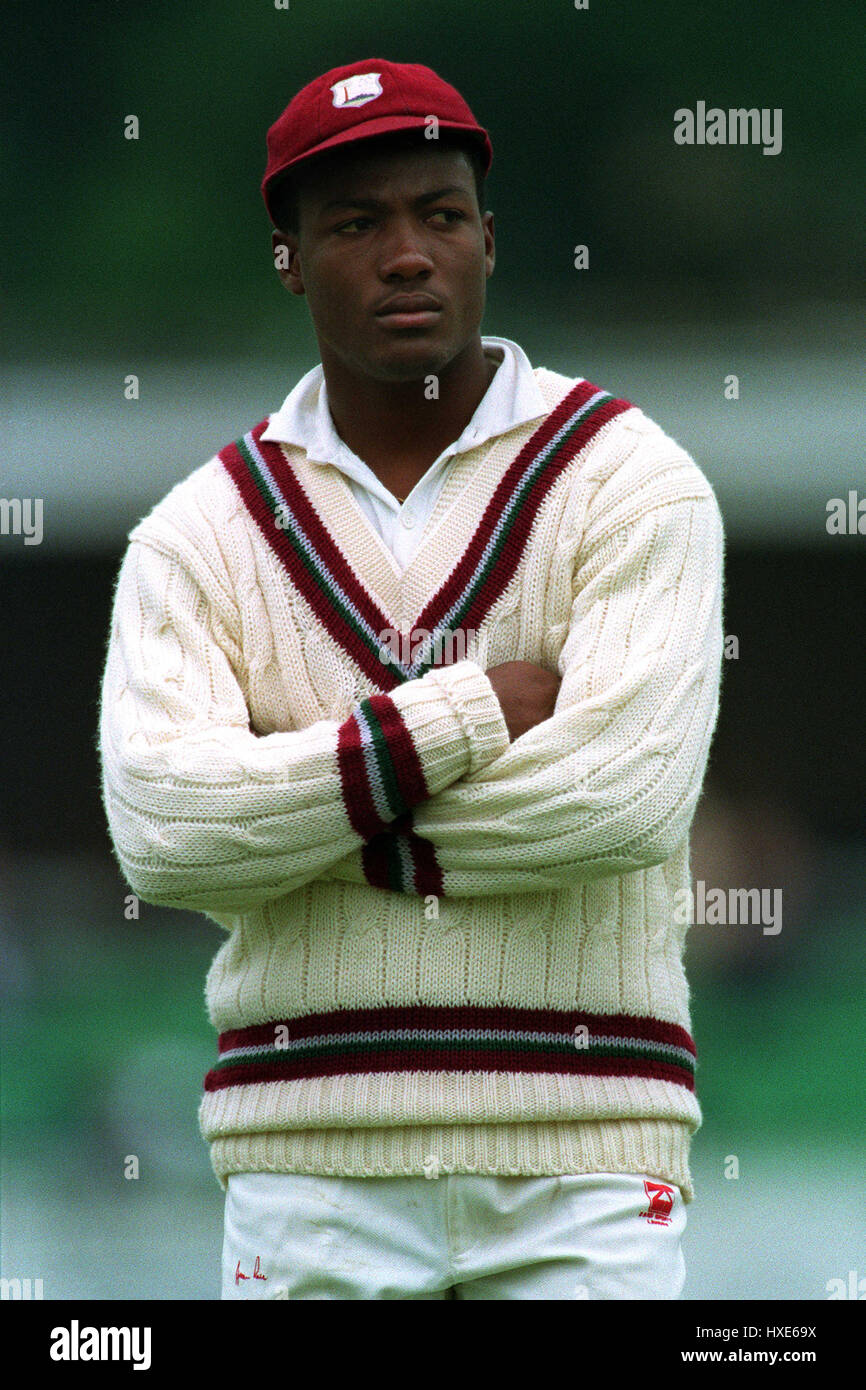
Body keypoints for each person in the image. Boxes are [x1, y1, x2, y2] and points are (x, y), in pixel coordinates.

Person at [98, 58, 726, 1300]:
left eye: (438, 215)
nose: (404, 254)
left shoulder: (632, 482)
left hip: (584, 1162)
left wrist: (292, 806)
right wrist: (472, 712)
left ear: (487, 241)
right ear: (285, 257)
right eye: (353, 223)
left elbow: (616, 804)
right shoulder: (200, 534)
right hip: (307, 1168)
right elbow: (167, 835)